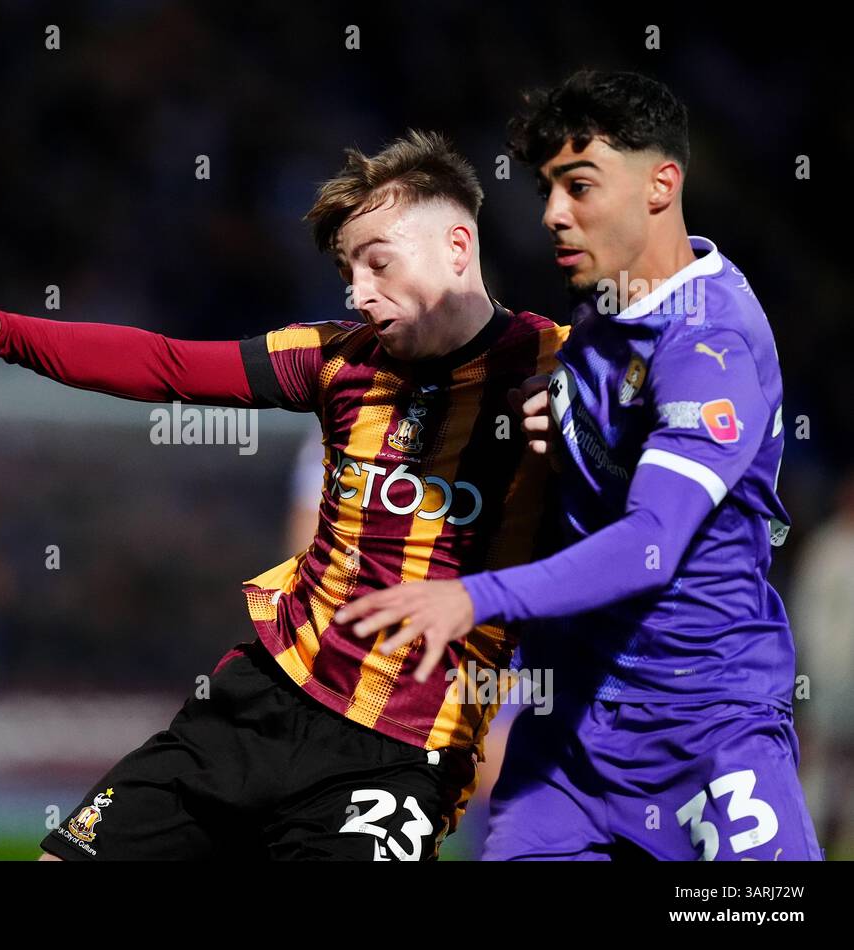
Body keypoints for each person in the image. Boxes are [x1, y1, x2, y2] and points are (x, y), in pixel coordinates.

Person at [0, 131, 566, 860]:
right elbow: (169, 365)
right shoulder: (334, 359)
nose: (360, 293)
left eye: (377, 264)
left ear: (457, 246)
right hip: (261, 702)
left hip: (400, 750)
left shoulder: (564, 369)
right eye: (348, 274)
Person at [338, 71, 822, 860]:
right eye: (547, 187)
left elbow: (652, 541)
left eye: (580, 185)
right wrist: (559, 411)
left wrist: (471, 598)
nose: (553, 214)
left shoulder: (711, 346)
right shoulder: (605, 306)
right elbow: (609, 428)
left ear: (662, 184)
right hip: (572, 747)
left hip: (703, 732)